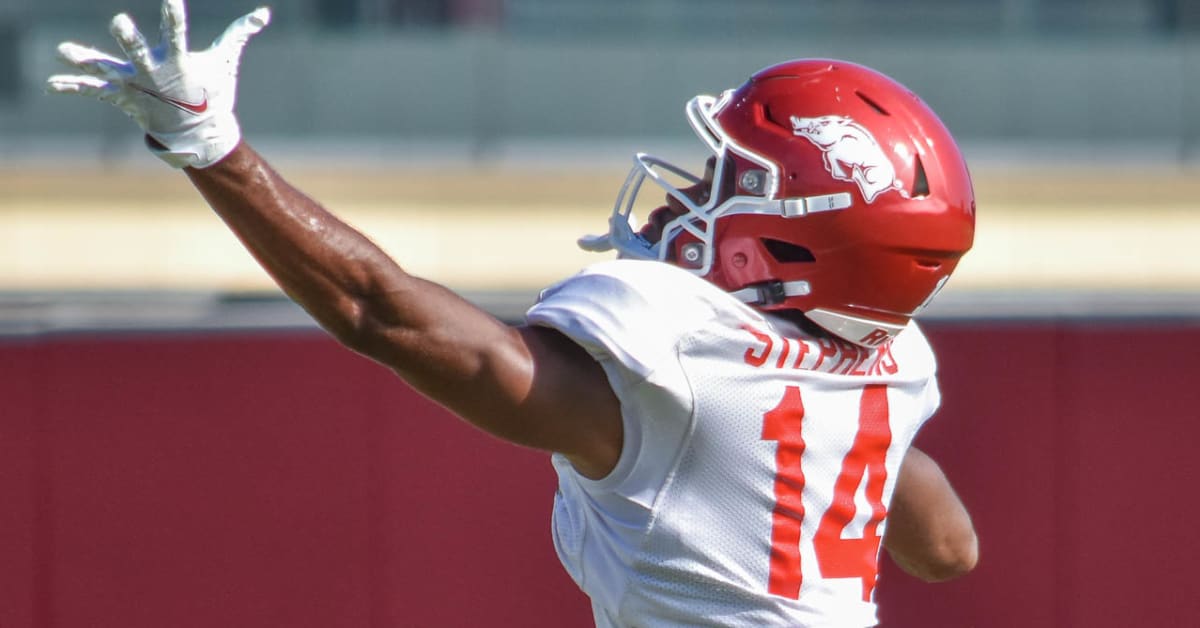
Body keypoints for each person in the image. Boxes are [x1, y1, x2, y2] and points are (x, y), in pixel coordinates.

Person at [48, 1, 978, 625]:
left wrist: (215, 150)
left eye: (729, 179)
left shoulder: (684, 364)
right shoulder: (886, 362)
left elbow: (382, 316)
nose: (690, 190)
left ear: (790, 241)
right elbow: (946, 551)